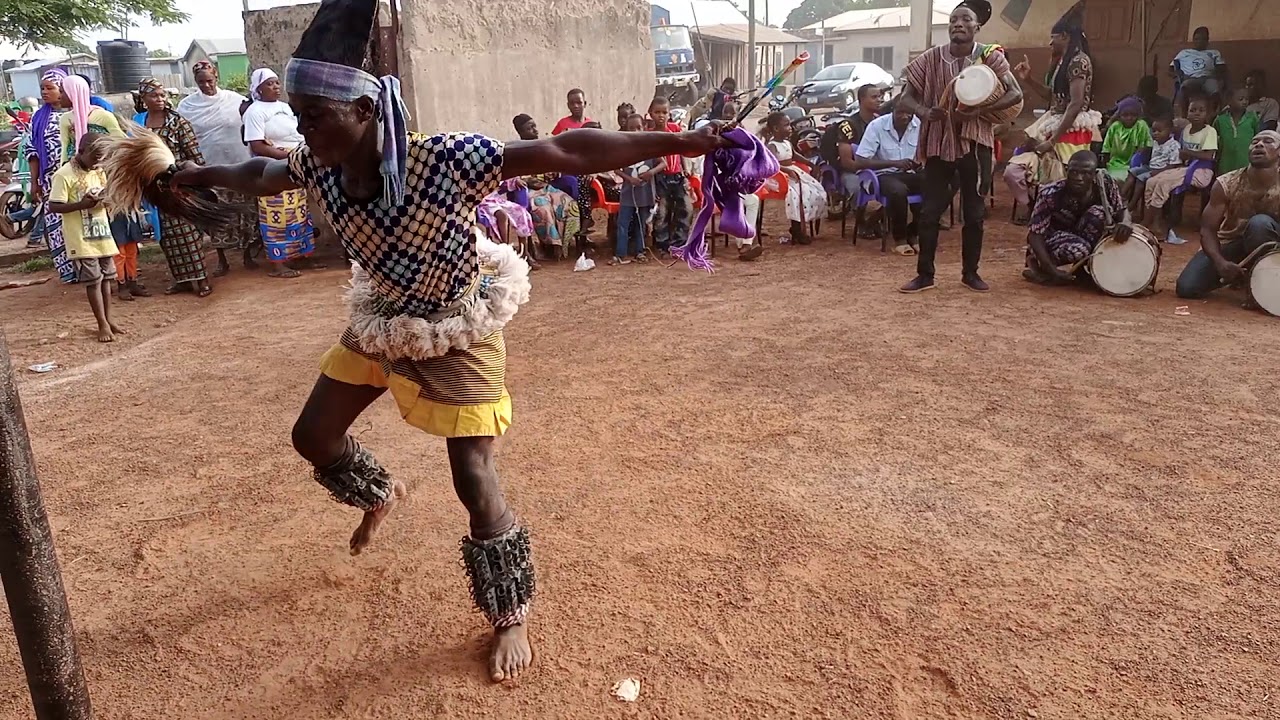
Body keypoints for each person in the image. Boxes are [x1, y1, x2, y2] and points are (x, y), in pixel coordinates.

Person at [174, 0, 725, 685]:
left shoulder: (445, 159)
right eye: (298, 115)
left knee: (473, 477)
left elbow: (564, 151)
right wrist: (197, 175)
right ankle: (378, 492)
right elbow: (261, 176)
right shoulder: (317, 167)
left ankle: (510, 612)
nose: (303, 129)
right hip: (383, 317)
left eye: (316, 115)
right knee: (312, 437)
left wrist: (676, 142)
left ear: (367, 111)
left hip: (460, 323)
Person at [896, 0, 1022, 293]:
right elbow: (905, 98)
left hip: (975, 143)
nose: (958, 24)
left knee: (975, 213)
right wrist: (926, 112)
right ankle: (925, 275)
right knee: (929, 213)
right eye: (954, 19)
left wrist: (978, 112)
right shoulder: (930, 58)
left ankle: (971, 273)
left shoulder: (990, 57)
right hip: (939, 144)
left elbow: (1015, 93)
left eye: (966, 19)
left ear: (977, 27)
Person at [1006, 1, 1098, 225]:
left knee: (1060, 173)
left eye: (1054, 36)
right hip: (1055, 120)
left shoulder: (1078, 61)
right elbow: (1053, 96)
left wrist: (1053, 139)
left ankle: (1056, 216)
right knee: (1029, 166)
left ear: (1065, 36)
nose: (1050, 42)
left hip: (1070, 126)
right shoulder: (1063, 62)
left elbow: (1075, 104)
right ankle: (1036, 209)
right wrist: (1027, 79)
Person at [1174, 130, 1280, 303]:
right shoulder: (1227, 183)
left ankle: (1260, 286)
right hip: (1235, 242)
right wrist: (1220, 263)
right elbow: (1208, 230)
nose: (1259, 145)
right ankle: (1244, 277)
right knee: (1187, 287)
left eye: (1268, 141)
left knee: (1259, 224)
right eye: (1254, 142)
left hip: (1274, 243)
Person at [178, 60, 260, 276]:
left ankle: (247, 254)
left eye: (210, 80)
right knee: (216, 213)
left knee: (246, 211)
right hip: (210, 168)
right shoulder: (187, 106)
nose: (206, 85)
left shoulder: (235, 100)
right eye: (201, 82)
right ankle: (222, 259)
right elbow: (183, 135)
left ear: (217, 77)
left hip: (240, 164)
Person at [135, 78, 214, 298]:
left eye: (162, 95)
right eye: (154, 96)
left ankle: (201, 279)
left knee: (187, 232)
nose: (159, 99)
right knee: (167, 236)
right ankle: (182, 280)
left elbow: (194, 154)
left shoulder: (178, 122)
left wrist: (198, 178)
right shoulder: (139, 123)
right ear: (144, 99)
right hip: (154, 186)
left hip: (179, 181)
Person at [243, 68, 319, 278]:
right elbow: (257, 145)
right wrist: (284, 156)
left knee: (298, 213)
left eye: (277, 83)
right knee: (276, 217)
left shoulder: (285, 108)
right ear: (258, 88)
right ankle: (278, 264)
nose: (276, 87)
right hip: (273, 168)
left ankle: (300, 256)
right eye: (269, 84)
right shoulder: (255, 112)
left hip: (294, 165)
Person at [48, 134, 124, 343]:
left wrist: (108, 201)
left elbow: (107, 194)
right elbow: (53, 206)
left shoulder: (99, 171)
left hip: (101, 232)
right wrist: (81, 205)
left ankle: (108, 320)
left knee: (107, 277)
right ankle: (101, 324)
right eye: (95, 157)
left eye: (102, 158)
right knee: (93, 280)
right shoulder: (64, 175)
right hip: (80, 235)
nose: (98, 162)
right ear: (81, 152)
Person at [1022, 150, 1134, 287]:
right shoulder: (1050, 194)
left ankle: (1085, 269)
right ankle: (1040, 267)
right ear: (1067, 171)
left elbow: (1121, 208)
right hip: (1054, 239)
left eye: (1085, 173)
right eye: (1074, 172)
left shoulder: (1105, 184)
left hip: (1082, 235)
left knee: (1099, 213)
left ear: (1094, 174)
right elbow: (1035, 235)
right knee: (1079, 249)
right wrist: (1049, 267)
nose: (1078, 178)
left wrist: (1125, 222)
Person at [1143, 96, 1218, 245]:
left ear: (1208, 114)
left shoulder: (1210, 132)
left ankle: (1151, 223)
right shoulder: (1187, 129)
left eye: (1201, 110)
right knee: (1152, 181)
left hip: (1201, 171)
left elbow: (1209, 156)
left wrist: (1188, 154)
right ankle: (1152, 219)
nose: (1196, 113)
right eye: (1192, 110)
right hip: (1186, 167)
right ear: (1187, 113)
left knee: (1163, 183)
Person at [26, 69, 78, 284]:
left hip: (77, 180)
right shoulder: (38, 118)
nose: (45, 92)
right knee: (56, 225)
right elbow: (33, 152)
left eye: (50, 88)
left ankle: (90, 270)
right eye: (42, 88)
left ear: (62, 90)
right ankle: (68, 272)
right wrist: (34, 182)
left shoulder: (79, 112)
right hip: (50, 182)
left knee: (78, 221)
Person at [852, 103, 922, 255]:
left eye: (908, 113)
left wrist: (919, 162)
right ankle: (900, 239)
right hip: (881, 175)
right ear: (893, 111)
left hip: (910, 173)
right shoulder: (877, 126)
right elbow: (861, 160)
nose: (905, 117)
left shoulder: (919, 125)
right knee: (898, 191)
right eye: (900, 113)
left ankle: (914, 231)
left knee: (939, 187)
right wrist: (895, 163)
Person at [762, 111, 827, 245]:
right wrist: (786, 170)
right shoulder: (772, 145)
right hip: (779, 176)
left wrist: (810, 163)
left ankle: (803, 225)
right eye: (786, 125)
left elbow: (795, 156)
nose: (790, 128)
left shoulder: (786, 143)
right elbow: (772, 165)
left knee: (815, 190)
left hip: (792, 172)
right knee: (797, 195)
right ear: (776, 129)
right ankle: (797, 229)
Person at [820, 84, 882, 200]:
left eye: (880, 96)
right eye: (874, 97)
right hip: (854, 172)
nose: (879, 100)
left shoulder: (880, 122)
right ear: (862, 100)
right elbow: (847, 163)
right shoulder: (848, 126)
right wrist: (873, 168)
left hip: (879, 168)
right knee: (857, 190)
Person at [613, 113, 660, 265]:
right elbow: (615, 168)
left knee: (641, 224)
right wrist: (629, 179)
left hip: (645, 194)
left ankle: (640, 252)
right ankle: (620, 253)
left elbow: (663, 163)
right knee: (623, 224)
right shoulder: (623, 148)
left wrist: (651, 173)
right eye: (631, 128)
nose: (635, 131)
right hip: (628, 194)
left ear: (644, 127)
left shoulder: (650, 147)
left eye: (638, 127)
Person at [647, 97, 692, 256]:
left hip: (678, 176)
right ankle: (662, 245)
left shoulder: (675, 129)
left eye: (664, 112)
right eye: (657, 112)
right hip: (660, 178)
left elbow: (681, 152)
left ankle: (679, 244)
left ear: (669, 114)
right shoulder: (649, 135)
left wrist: (685, 170)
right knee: (662, 212)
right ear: (650, 114)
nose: (661, 116)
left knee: (685, 209)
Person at [551, 89, 593, 244]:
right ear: (567, 105)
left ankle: (584, 229)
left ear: (585, 104)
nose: (576, 106)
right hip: (569, 170)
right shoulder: (563, 124)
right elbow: (555, 146)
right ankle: (579, 230)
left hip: (589, 169)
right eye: (572, 103)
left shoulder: (590, 124)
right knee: (578, 190)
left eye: (579, 102)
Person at [58, 75, 122, 164]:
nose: (59, 96)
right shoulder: (66, 119)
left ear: (74, 92)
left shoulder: (103, 116)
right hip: (75, 169)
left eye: (62, 92)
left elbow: (120, 142)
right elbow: (65, 147)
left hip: (103, 168)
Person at [1124, 116, 1181, 212]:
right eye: (1154, 131)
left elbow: (1173, 166)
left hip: (1163, 171)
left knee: (1140, 179)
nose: (1156, 134)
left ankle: (1131, 205)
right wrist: (1144, 149)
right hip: (1150, 167)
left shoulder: (1174, 146)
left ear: (1169, 131)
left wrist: (1158, 171)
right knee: (1132, 172)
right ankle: (1120, 197)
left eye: (1159, 131)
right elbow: (1150, 151)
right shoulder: (1155, 142)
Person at [1170, 26, 1227, 113]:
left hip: (1208, 78)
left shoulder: (1214, 53)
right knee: (1185, 87)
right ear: (1193, 39)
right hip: (1191, 78)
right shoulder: (1184, 53)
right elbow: (1171, 68)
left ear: (1207, 40)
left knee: (1215, 90)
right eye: (1197, 39)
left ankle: (1211, 115)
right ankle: (1185, 115)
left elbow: (1222, 68)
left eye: (1203, 39)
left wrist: (1216, 75)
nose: (1199, 41)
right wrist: (1178, 74)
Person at [1101, 97, 1151, 182]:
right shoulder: (1115, 127)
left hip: (1134, 165)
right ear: (1119, 115)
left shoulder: (1141, 126)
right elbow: (1106, 148)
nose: (1129, 118)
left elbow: (1145, 147)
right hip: (1114, 164)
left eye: (1133, 115)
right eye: (1125, 115)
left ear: (1138, 115)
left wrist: (1137, 159)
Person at [1215, 88, 1261, 175]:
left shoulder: (1252, 118)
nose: (1244, 102)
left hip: (1246, 162)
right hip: (1225, 164)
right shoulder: (1220, 120)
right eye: (1240, 99)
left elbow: (1257, 137)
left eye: (1246, 99)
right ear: (1229, 101)